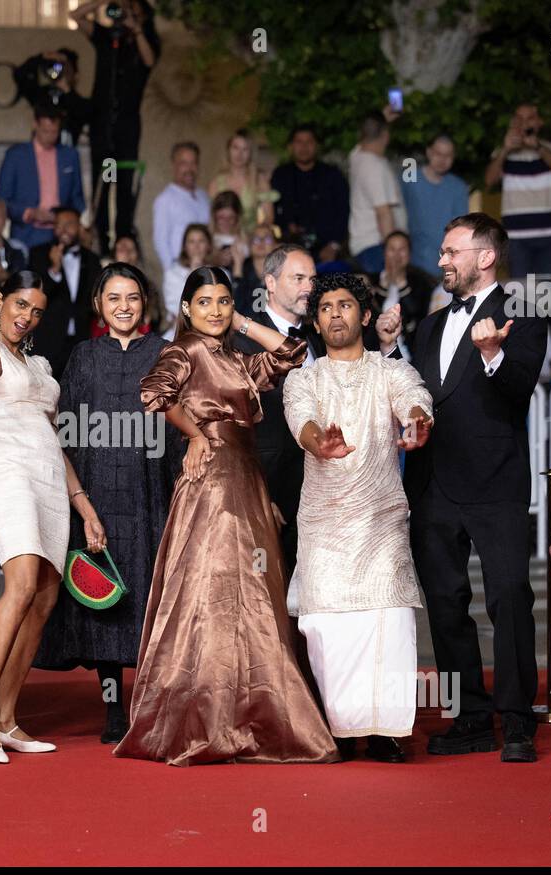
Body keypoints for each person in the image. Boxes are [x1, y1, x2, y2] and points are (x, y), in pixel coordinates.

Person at [113, 266, 336, 766]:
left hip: (247, 478)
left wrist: (243, 322)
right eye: (205, 302)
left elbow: (291, 354)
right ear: (186, 309)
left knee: (253, 595)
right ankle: (210, 717)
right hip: (212, 479)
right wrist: (195, 436)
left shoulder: (235, 357)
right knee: (212, 593)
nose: (214, 311)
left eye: (223, 302)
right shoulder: (186, 350)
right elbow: (154, 393)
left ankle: (249, 716)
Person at [386, 212, 546, 762]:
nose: (440, 260)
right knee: (446, 605)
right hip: (433, 485)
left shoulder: (521, 313)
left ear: (485, 257)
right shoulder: (428, 326)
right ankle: (471, 718)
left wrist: (491, 354)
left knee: (508, 598)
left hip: (496, 481)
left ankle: (518, 720)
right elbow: (415, 394)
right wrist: (389, 353)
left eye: (451, 251)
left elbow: (520, 388)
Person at [0, 270, 106, 763]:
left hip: (48, 476)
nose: (26, 316)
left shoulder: (39, 365)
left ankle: (10, 717)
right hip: (4, 465)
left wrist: (84, 504)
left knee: (44, 597)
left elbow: (53, 440)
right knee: (19, 585)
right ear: (0, 300)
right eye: (19, 304)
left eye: (35, 310)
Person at [284, 273, 432, 762]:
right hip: (324, 523)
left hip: (380, 516)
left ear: (365, 316)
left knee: (387, 621)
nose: (335, 315)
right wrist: (316, 440)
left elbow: (414, 396)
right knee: (330, 629)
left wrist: (416, 419)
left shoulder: (387, 370)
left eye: (345, 305)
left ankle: (389, 732)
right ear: (316, 320)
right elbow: (299, 417)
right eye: (325, 307)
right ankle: (344, 731)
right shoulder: (304, 376)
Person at [34, 262, 175, 743]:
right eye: (113, 297)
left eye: (132, 297)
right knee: (104, 601)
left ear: (145, 302)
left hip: (150, 491)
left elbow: (179, 427)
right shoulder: (83, 357)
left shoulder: (165, 353)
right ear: (98, 305)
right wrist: (80, 504)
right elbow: (65, 432)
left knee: (152, 600)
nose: (123, 306)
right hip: (96, 495)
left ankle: (151, 704)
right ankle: (114, 709)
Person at [232, 244, 324, 575]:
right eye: (298, 278)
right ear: (270, 283)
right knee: (265, 594)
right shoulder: (242, 342)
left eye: (312, 279)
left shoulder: (318, 337)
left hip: (316, 495)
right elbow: (235, 428)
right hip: (268, 494)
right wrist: (258, 496)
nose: (308, 288)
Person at [74, 0, 161, 253]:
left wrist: (135, 28)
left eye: (134, 10)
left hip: (127, 125)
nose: (127, 13)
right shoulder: (105, 36)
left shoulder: (145, 39)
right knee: (101, 184)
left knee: (124, 185)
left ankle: (124, 240)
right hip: (101, 125)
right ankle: (101, 243)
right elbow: (75, 16)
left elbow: (149, 60)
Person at [485, 103, 551, 281]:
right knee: (520, 296)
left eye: (529, 118)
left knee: (550, 295)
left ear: (539, 122)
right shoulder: (504, 153)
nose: (523, 123)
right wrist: (505, 149)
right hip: (516, 237)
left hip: (550, 235)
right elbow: (489, 180)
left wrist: (537, 147)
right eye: (519, 119)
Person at [0, 102, 87, 252]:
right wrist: (30, 213)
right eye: (45, 131)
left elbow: (77, 197)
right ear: (35, 125)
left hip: (62, 234)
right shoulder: (16, 155)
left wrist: (75, 220)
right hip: (27, 233)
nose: (50, 136)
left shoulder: (70, 155)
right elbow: (2, 200)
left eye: (54, 132)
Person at [27, 206, 101, 378]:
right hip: (48, 342)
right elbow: (35, 297)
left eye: (69, 224)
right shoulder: (38, 255)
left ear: (79, 227)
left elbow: (95, 298)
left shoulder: (92, 259)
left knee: (79, 396)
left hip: (82, 342)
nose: (63, 230)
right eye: (58, 225)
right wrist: (54, 270)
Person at [271, 124, 349, 264]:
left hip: (327, 251)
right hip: (290, 251)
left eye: (309, 142)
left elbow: (344, 211)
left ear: (316, 146)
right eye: (299, 142)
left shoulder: (332, 175)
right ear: (291, 146)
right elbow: (273, 212)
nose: (304, 147)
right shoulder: (280, 176)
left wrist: (334, 245)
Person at [400, 134, 468, 277]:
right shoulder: (410, 180)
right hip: (413, 264)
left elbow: (461, 229)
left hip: (447, 266)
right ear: (429, 152)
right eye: (438, 153)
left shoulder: (458, 187)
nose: (442, 160)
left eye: (448, 155)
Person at [348, 111, 406, 274]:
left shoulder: (357, 157)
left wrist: (382, 120)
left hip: (368, 247)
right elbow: (383, 214)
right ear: (385, 135)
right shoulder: (374, 166)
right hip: (377, 248)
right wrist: (393, 253)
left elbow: (368, 134)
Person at [366, 230, 435, 357]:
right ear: (384, 253)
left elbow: (419, 318)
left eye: (402, 249)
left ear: (409, 254)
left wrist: (401, 284)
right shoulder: (372, 282)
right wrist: (383, 287)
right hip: (376, 354)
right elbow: (370, 318)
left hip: (412, 354)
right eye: (392, 249)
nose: (396, 255)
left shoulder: (422, 283)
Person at [12, 48, 94, 148]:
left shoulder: (78, 102)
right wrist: (42, 57)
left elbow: (83, 114)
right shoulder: (42, 95)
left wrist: (66, 89)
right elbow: (20, 75)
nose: (59, 70)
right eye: (57, 67)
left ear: (75, 75)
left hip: (66, 157)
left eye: (65, 68)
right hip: (39, 157)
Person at [151, 142, 211, 276]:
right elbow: (160, 241)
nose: (189, 169)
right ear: (174, 165)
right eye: (184, 163)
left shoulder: (203, 197)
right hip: (180, 273)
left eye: (193, 163)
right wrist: (173, 272)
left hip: (205, 269)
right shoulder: (165, 199)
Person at [208, 129, 275, 233]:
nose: (239, 154)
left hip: (251, 241)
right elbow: (211, 218)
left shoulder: (259, 180)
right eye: (235, 148)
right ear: (228, 150)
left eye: (245, 149)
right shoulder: (216, 183)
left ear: (251, 153)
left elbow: (268, 218)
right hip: (221, 240)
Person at [160, 223, 212, 339]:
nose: (196, 246)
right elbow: (176, 308)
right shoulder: (172, 274)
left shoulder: (221, 273)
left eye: (201, 241)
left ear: (208, 245)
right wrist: (193, 273)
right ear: (184, 246)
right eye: (191, 242)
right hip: (179, 334)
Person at [208, 190, 249, 281]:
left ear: (238, 218)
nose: (226, 222)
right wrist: (215, 260)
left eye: (231, 217)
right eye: (221, 217)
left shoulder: (246, 241)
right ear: (214, 216)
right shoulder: (206, 239)